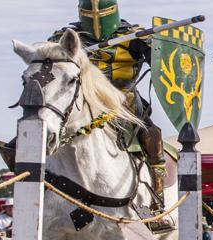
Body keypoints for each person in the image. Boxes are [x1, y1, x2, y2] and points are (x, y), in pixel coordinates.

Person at [54, 1, 167, 214]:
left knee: (152, 136)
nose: (96, 18)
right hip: (83, 99)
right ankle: (29, 174)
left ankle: (157, 198)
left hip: (123, 99)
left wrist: (154, 46)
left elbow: (162, 64)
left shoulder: (135, 35)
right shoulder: (67, 37)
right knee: (48, 128)